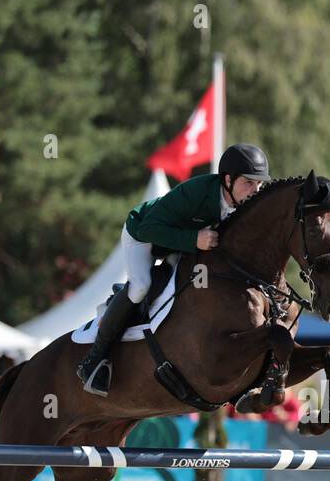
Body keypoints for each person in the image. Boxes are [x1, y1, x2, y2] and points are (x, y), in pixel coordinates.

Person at [76, 143, 271, 396]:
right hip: (143, 235)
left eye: (260, 184)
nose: (256, 191)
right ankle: (94, 360)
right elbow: (148, 230)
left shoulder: (243, 206)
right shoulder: (196, 192)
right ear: (228, 179)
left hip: (181, 245)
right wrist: (193, 240)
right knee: (141, 287)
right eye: (249, 183)